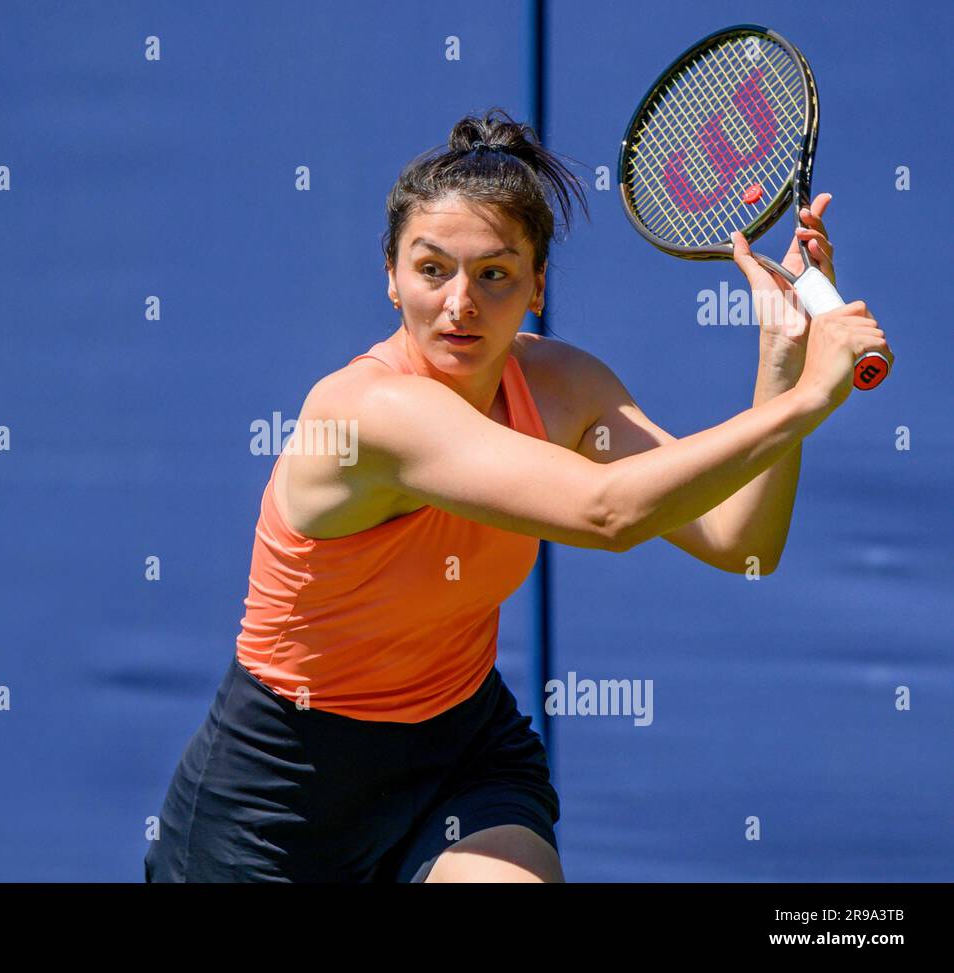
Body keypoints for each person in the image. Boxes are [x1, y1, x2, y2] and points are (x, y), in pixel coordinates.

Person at [143, 107, 891, 883]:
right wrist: (809, 401)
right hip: (278, 801)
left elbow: (745, 543)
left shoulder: (563, 387)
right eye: (432, 269)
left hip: (460, 755)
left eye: (494, 273)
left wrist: (781, 357)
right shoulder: (367, 412)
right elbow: (609, 513)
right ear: (391, 276)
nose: (460, 302)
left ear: (536, 284)